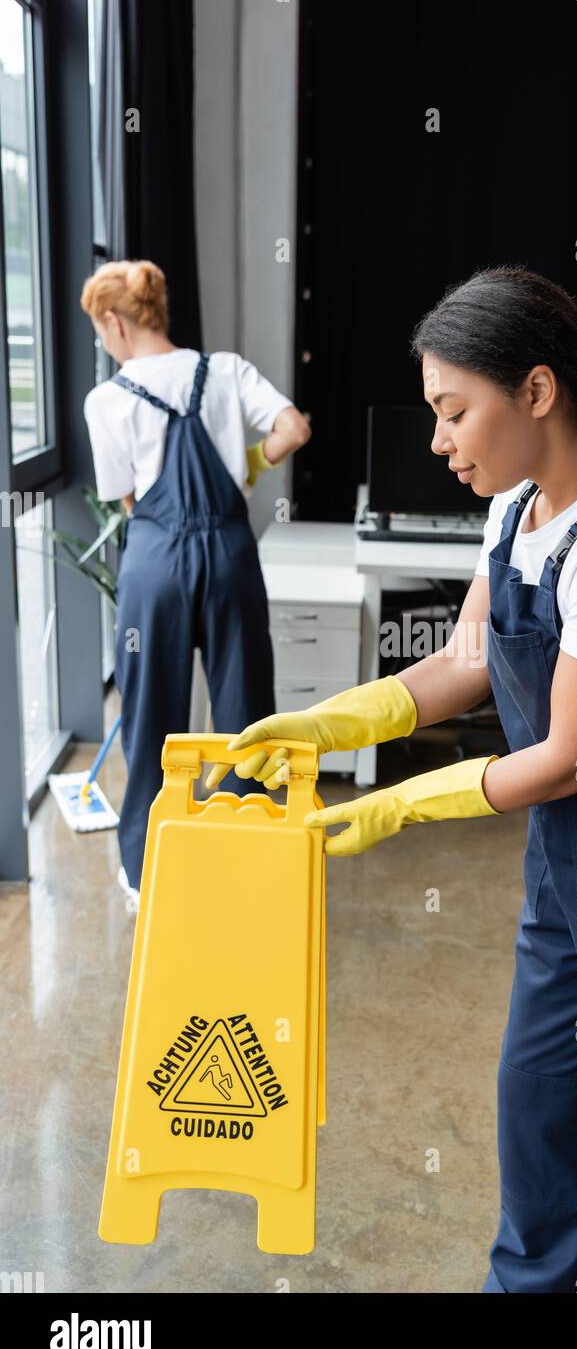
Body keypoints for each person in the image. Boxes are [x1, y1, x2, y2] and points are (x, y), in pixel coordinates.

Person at [208, 267, 577, 1293]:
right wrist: (327, 721)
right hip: (571, 885)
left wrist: (396, 804)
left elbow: (574, 753)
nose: (440, 440)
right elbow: (466, 660)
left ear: (534, 391)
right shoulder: (515, 509)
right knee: (546, 1139)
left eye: (455, 411)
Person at [80, 258, 311, 911]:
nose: (102, 342)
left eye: (99, 331)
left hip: (156, 559)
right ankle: (248, 857)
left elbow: (124, 499)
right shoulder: (226, 369)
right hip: (232, 552)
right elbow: (294, 428)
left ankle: (146, 867)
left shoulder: (108, 399)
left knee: (151, 710)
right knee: (245, 710)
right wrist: (247, 465)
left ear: (115, 322)